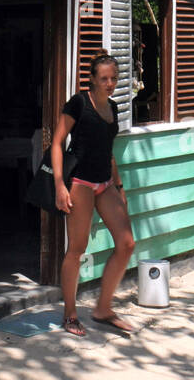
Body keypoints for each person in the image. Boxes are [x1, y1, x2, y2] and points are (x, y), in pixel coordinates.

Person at [52, 50, 135, 337]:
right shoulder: (78, 103)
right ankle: (70, 314)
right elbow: (57, 142)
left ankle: (103, 309)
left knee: (126, 244)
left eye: (114, 78)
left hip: (105, 183)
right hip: (80, 183)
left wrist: (120, 186)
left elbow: (109, 152)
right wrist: (60, 185)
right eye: (104, 79)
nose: (110, 83)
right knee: (77, 249)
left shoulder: (113, 108)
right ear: (92, 79)